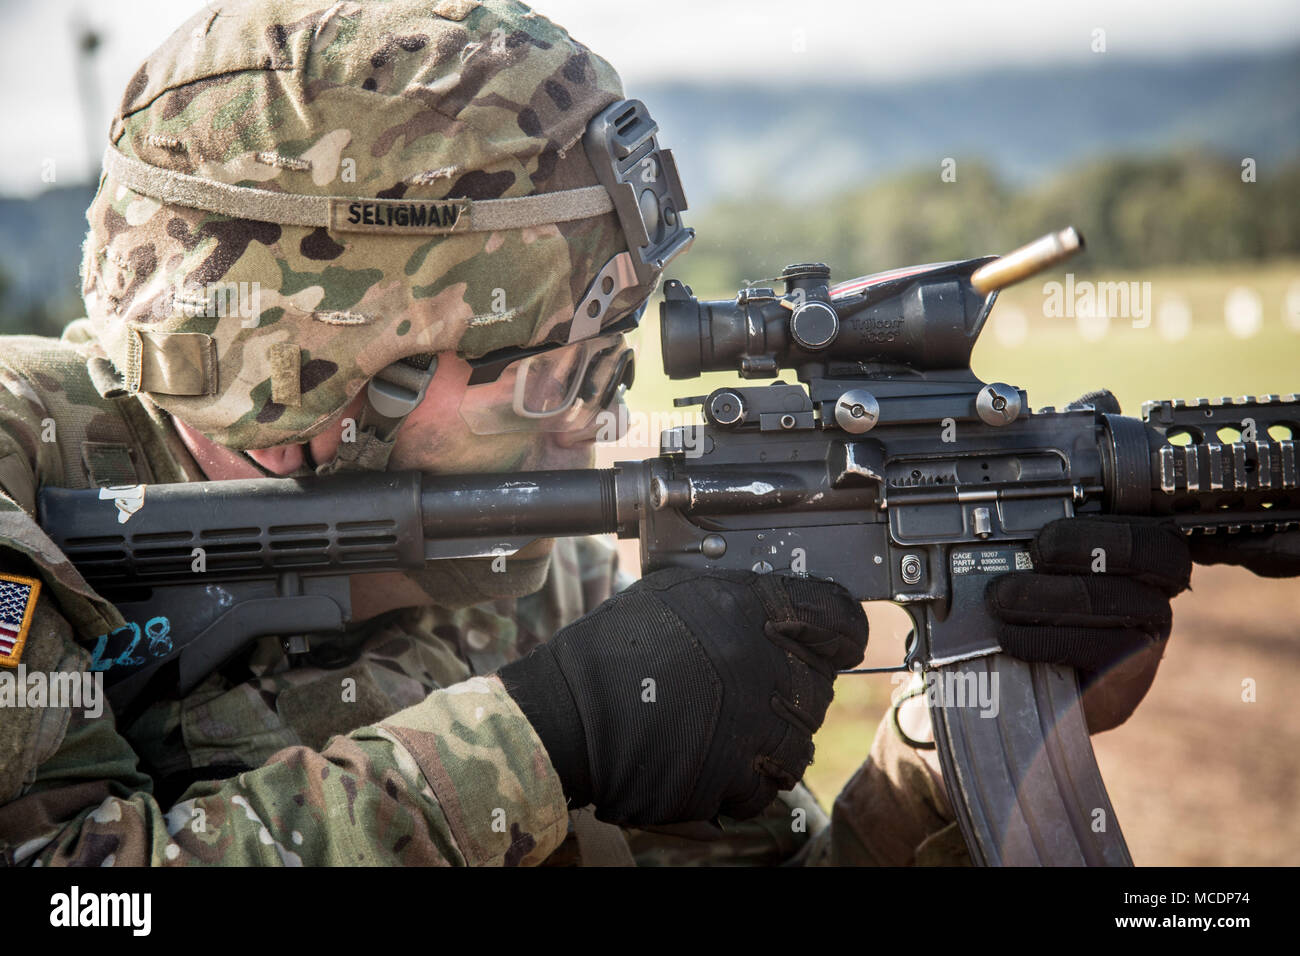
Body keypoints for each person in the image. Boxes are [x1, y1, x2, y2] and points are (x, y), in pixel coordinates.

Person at [0, 0, 1292, 868]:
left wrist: (941, 763)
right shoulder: (20, 480)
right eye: (558, 368)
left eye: (611, 355)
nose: (597, 411)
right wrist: (542, 738)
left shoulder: (527, 554)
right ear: (316, 376)